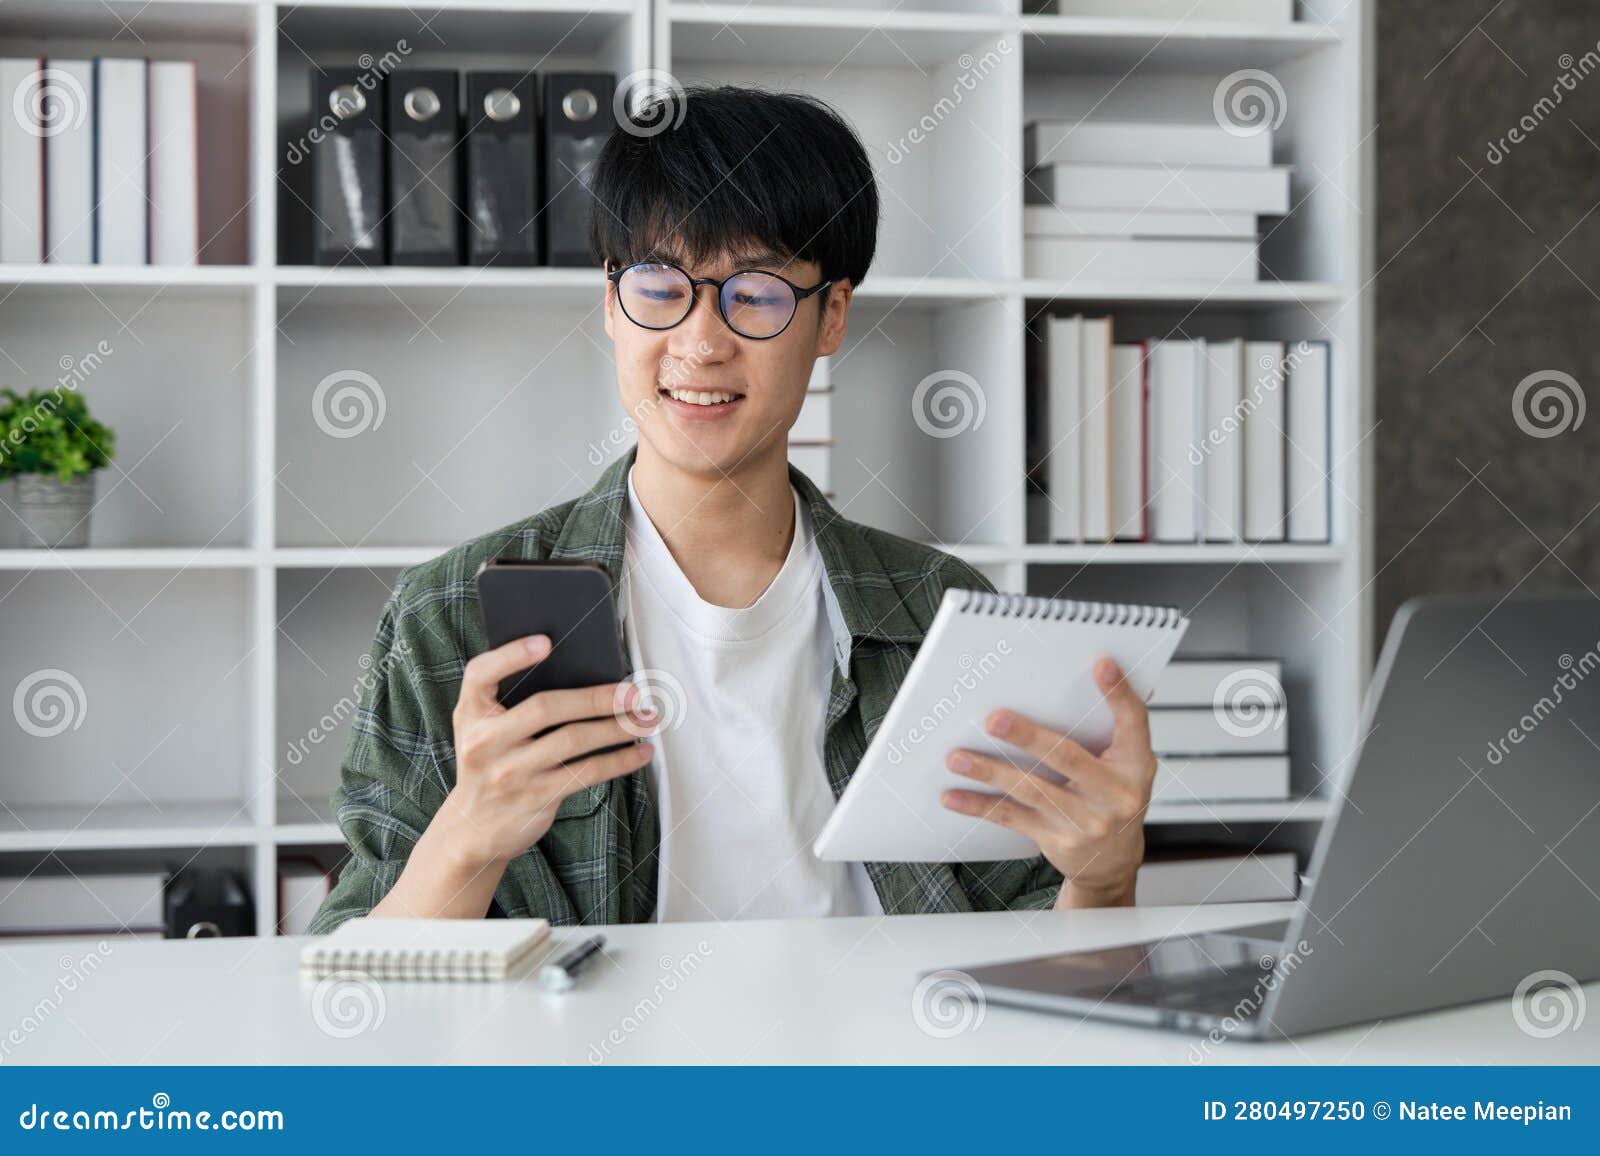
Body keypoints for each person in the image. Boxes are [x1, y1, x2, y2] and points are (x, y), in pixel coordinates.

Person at [308, 86, 1157, 932]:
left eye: (754, 293)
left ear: (831, 316)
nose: (701, 341)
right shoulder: (449, 618)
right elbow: (356, 1000)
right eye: (657, 284)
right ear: (610, 304)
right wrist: (469, 839)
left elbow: (1044, 974)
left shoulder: (941, 613)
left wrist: (1106, 878)